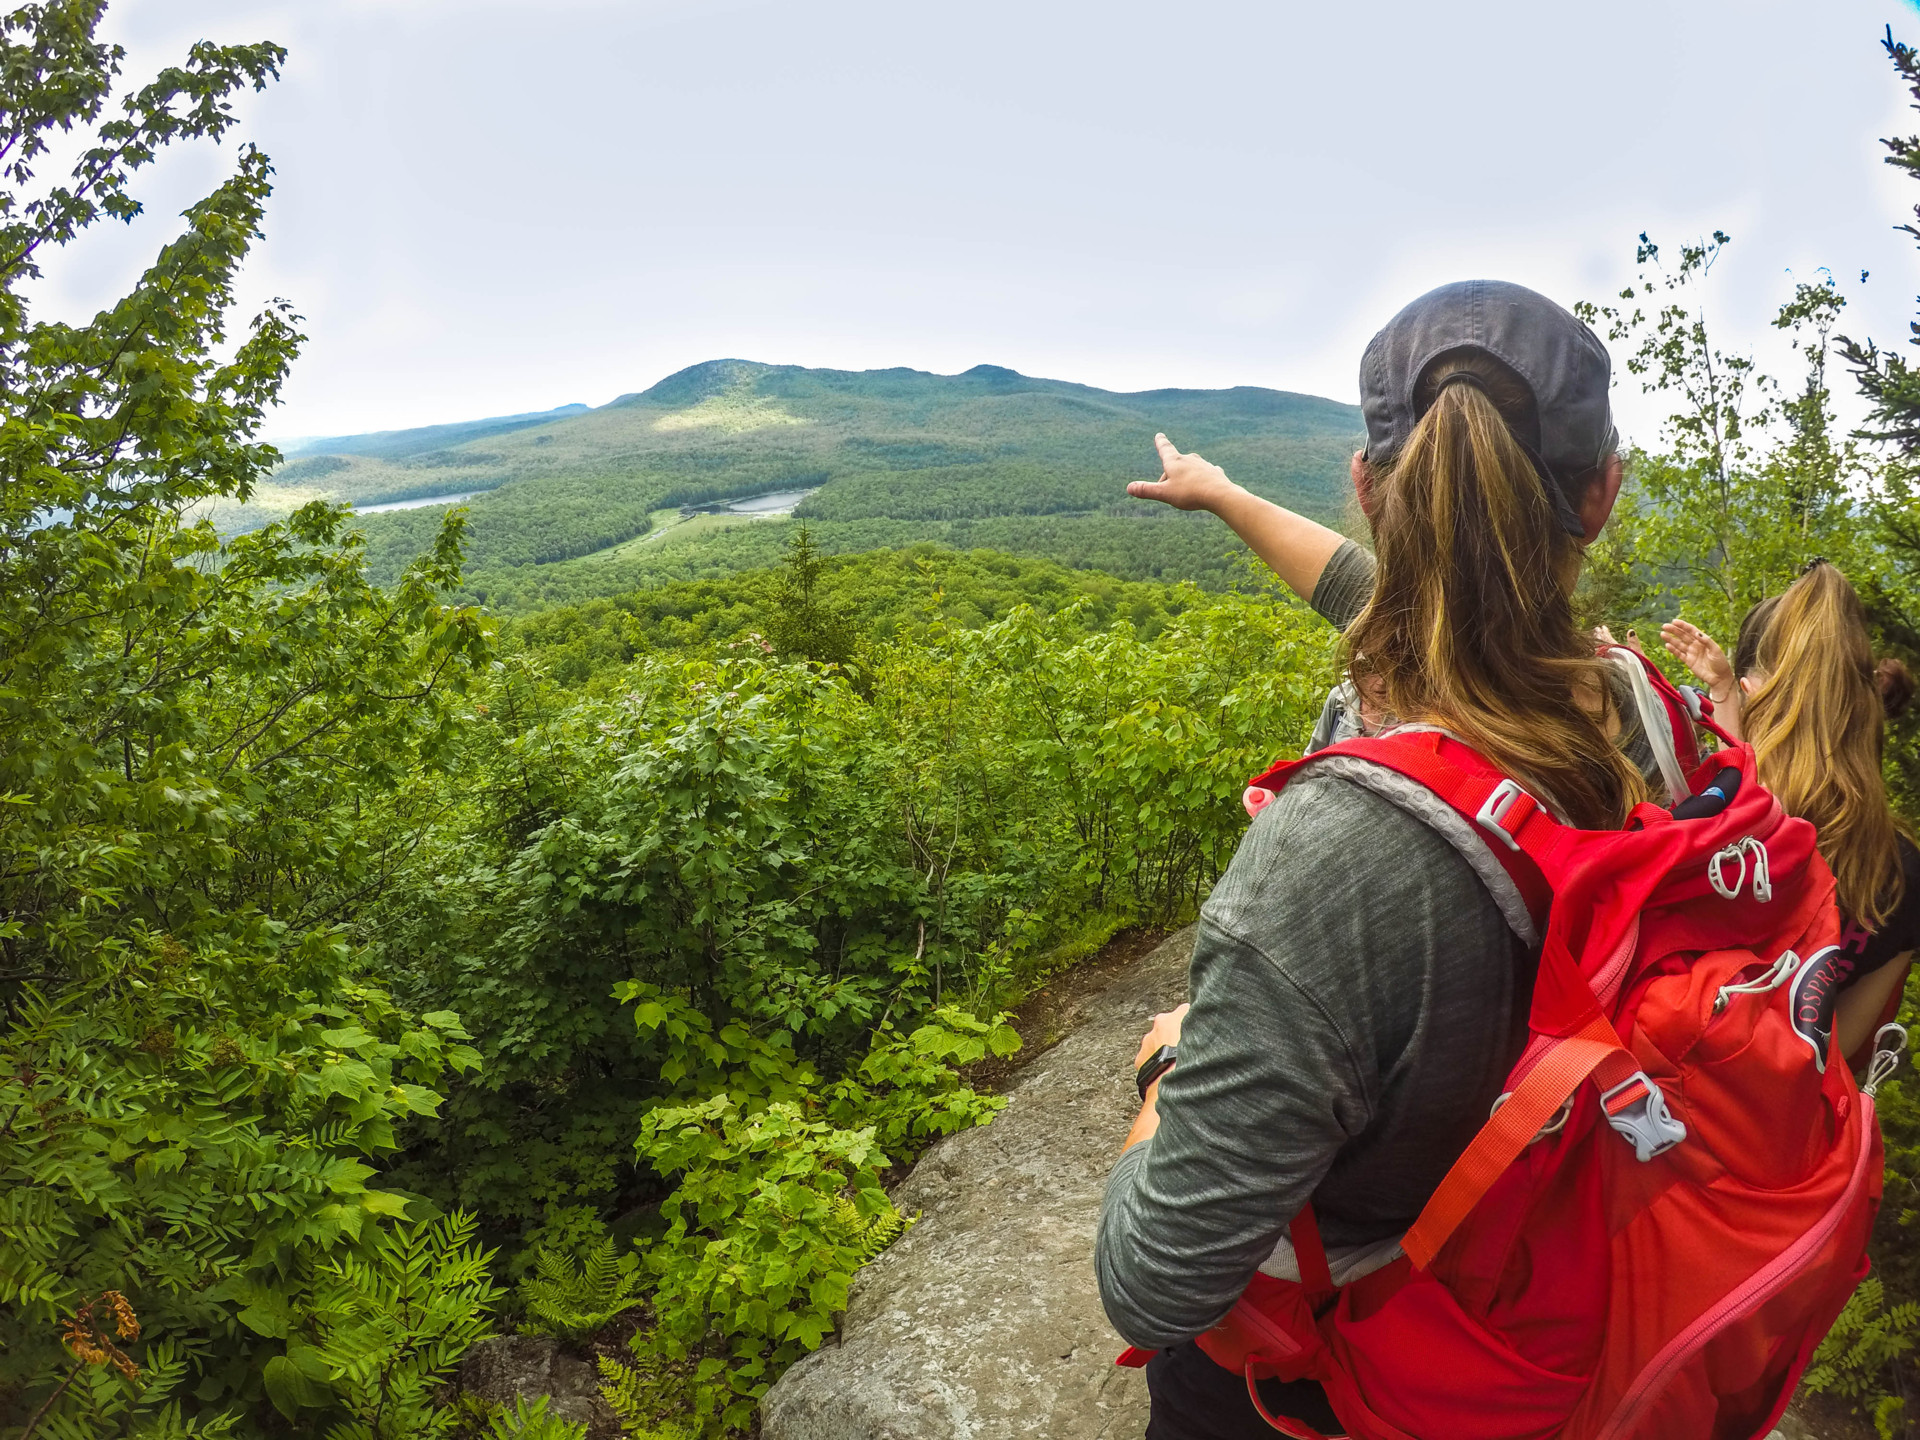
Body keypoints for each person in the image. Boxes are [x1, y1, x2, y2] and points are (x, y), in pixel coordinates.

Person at [1096, 280, 1658, 1438]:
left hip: (1339, 1378)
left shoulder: (1333, 864)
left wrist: (1172, 1073)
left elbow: (1155, 1285)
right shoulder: (1638, 711)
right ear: (1601, 495)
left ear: (1367, 486)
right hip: (1538, 1318)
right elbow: (1379, 599)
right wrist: (1225, 496)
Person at [1662, 568, 1919, 1059]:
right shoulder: (1903, 875)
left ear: (1753, 691)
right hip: (1771, 1123)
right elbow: (1833, 1058)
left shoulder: (1713, 822)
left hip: (1651, 1109)